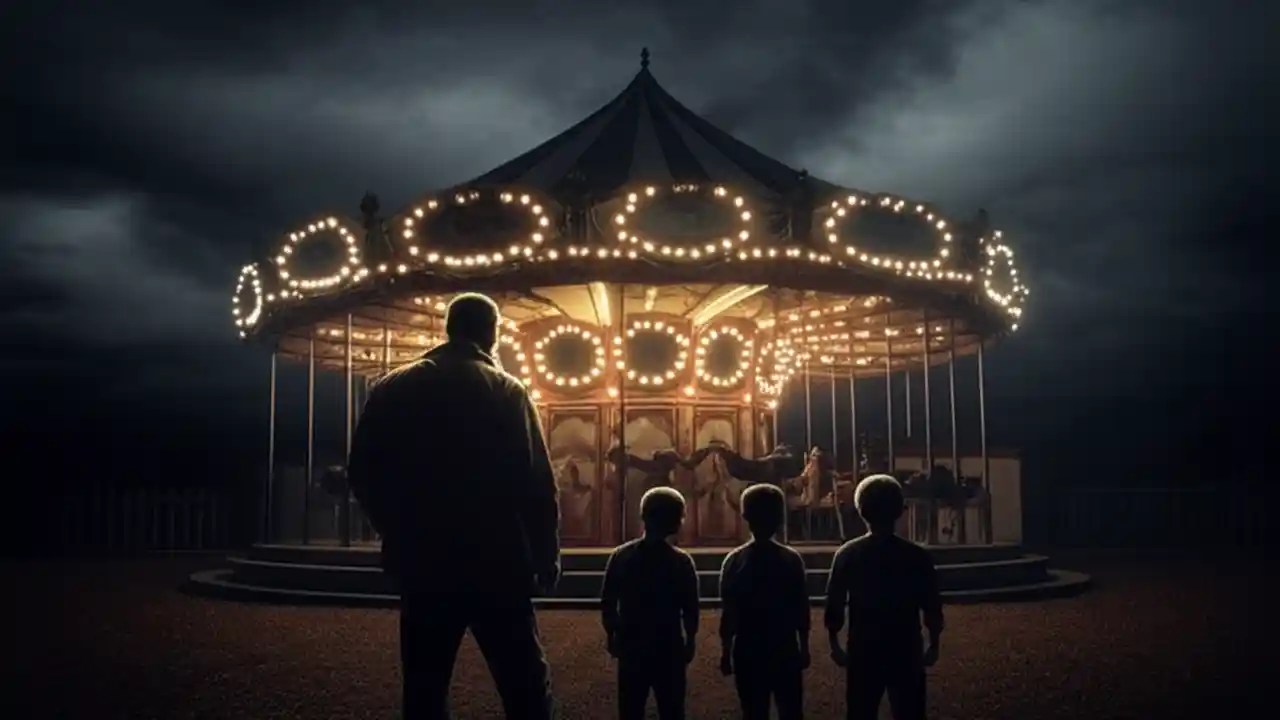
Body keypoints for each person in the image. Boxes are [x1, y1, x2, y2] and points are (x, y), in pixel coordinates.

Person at [347, 292, 560, 720]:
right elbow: (535, 481)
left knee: (425, 683)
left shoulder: (392, 387)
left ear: (448, 328)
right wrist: (545, 554)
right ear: (492, 333)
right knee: (524, 682)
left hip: (422, 558)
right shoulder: (506, 389)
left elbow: (363, 470)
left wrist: (394, 528)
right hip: (495, 559)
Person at [824, 474, 944, 720]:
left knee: (861, 710)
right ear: (899, 510)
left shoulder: (848, 554)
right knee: (909, 710)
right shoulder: (917, 556)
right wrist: (934, 641)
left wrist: (834, 641)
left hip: (864, 645)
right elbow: (931, 603)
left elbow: (834, 601)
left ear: (861, 510)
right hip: (905, 644)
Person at [600, 486, 700, 720]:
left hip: (632, 640)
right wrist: (691, 638)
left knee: (631, 706)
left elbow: (608, 601)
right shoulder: (681, 562)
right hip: (668, 642)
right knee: (672, 707)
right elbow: (690, 606)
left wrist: (611, 633)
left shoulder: (621, 556)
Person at [718, 483, 811, 720]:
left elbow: (729, 611)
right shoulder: (791, 560)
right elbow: (800, 606)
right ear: (780, 517)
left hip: (748, 645)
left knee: (753, 710)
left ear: (745, 516)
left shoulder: (735, 561)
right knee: (791, 708)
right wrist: (805, 644)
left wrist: (726, 649)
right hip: (783, 643)